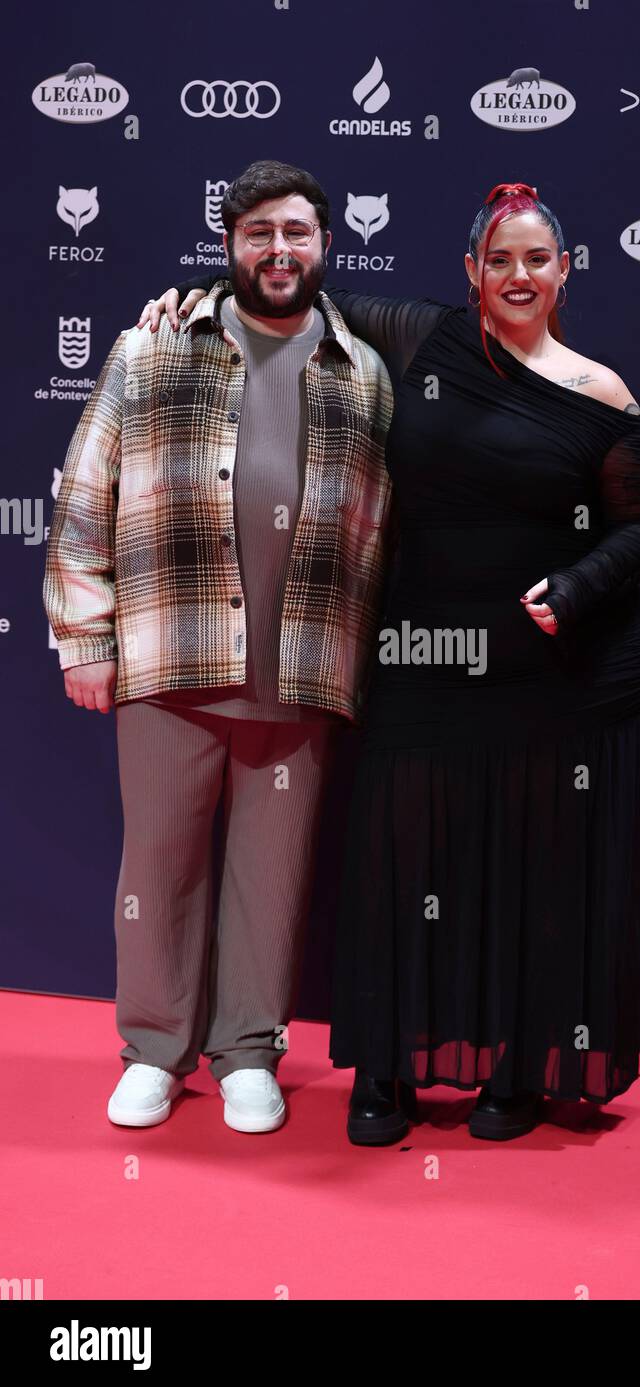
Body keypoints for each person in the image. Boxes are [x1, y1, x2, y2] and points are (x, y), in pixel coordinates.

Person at [142, 180, 640, 1144]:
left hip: (558, 673)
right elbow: (286, 279)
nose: (518, 275)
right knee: (402, 857)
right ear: (470, 271)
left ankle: (517, 1068)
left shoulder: (603, 390)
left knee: (532, 872)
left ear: (564, 271)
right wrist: (194, 287)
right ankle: (387, 1070)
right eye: (498, 259)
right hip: (419, 654)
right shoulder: (423, 338)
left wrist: (580, 587)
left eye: (536, 259)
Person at [43, 160, 394, 1133]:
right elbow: (82, 501)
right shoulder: (152, 348)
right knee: (156, 869)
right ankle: (154, 1047)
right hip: (173, 660)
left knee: (271, 880)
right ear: (229, 242)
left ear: (324, 245)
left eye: (296, 234)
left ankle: (248, 1051)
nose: (277, 252)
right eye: (258, 234)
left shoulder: (362, 374)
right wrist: (84, 638)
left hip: (299, 674)